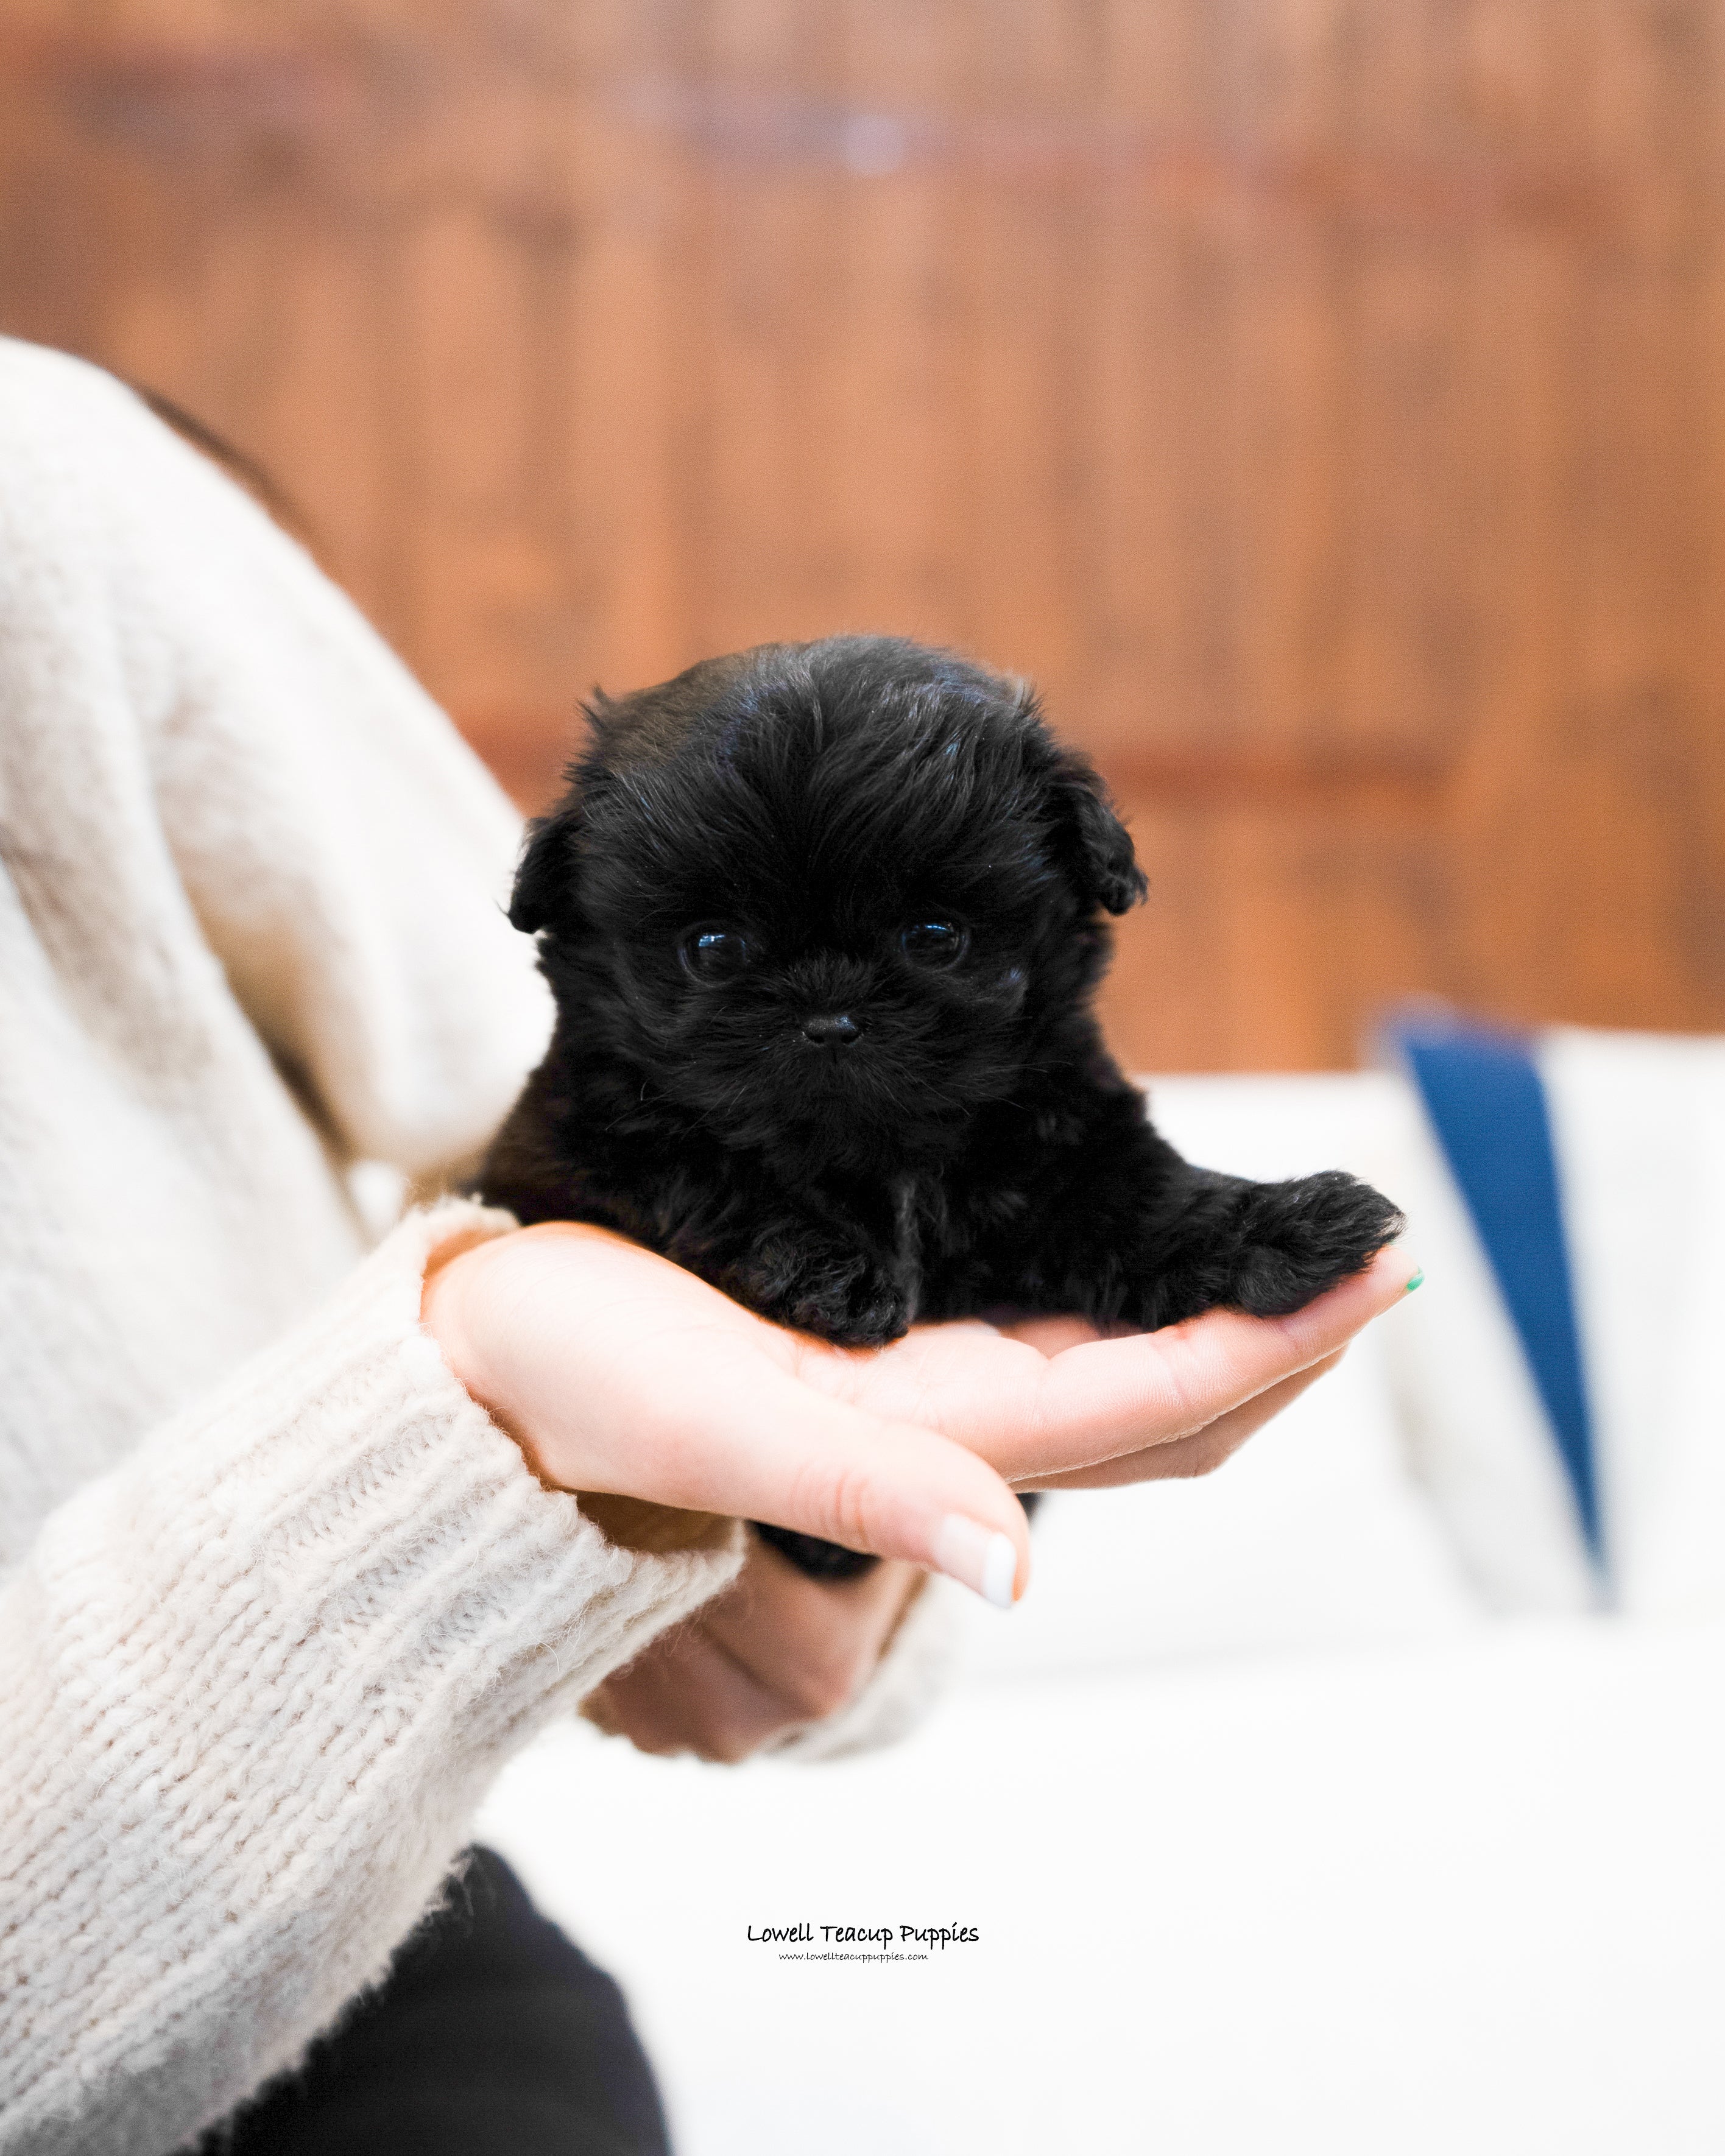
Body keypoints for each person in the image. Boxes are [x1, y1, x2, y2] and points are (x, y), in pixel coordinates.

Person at [0, 338, 1416, 2154]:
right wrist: (507, 1424)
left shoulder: (47, 491)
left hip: (375, 1908)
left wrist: (736, 1533)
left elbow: (464, 1102)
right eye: (724, 965)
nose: (835, 1019)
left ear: (1071, 901)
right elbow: (529, 1189)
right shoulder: (611, 1045)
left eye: (931, 942)